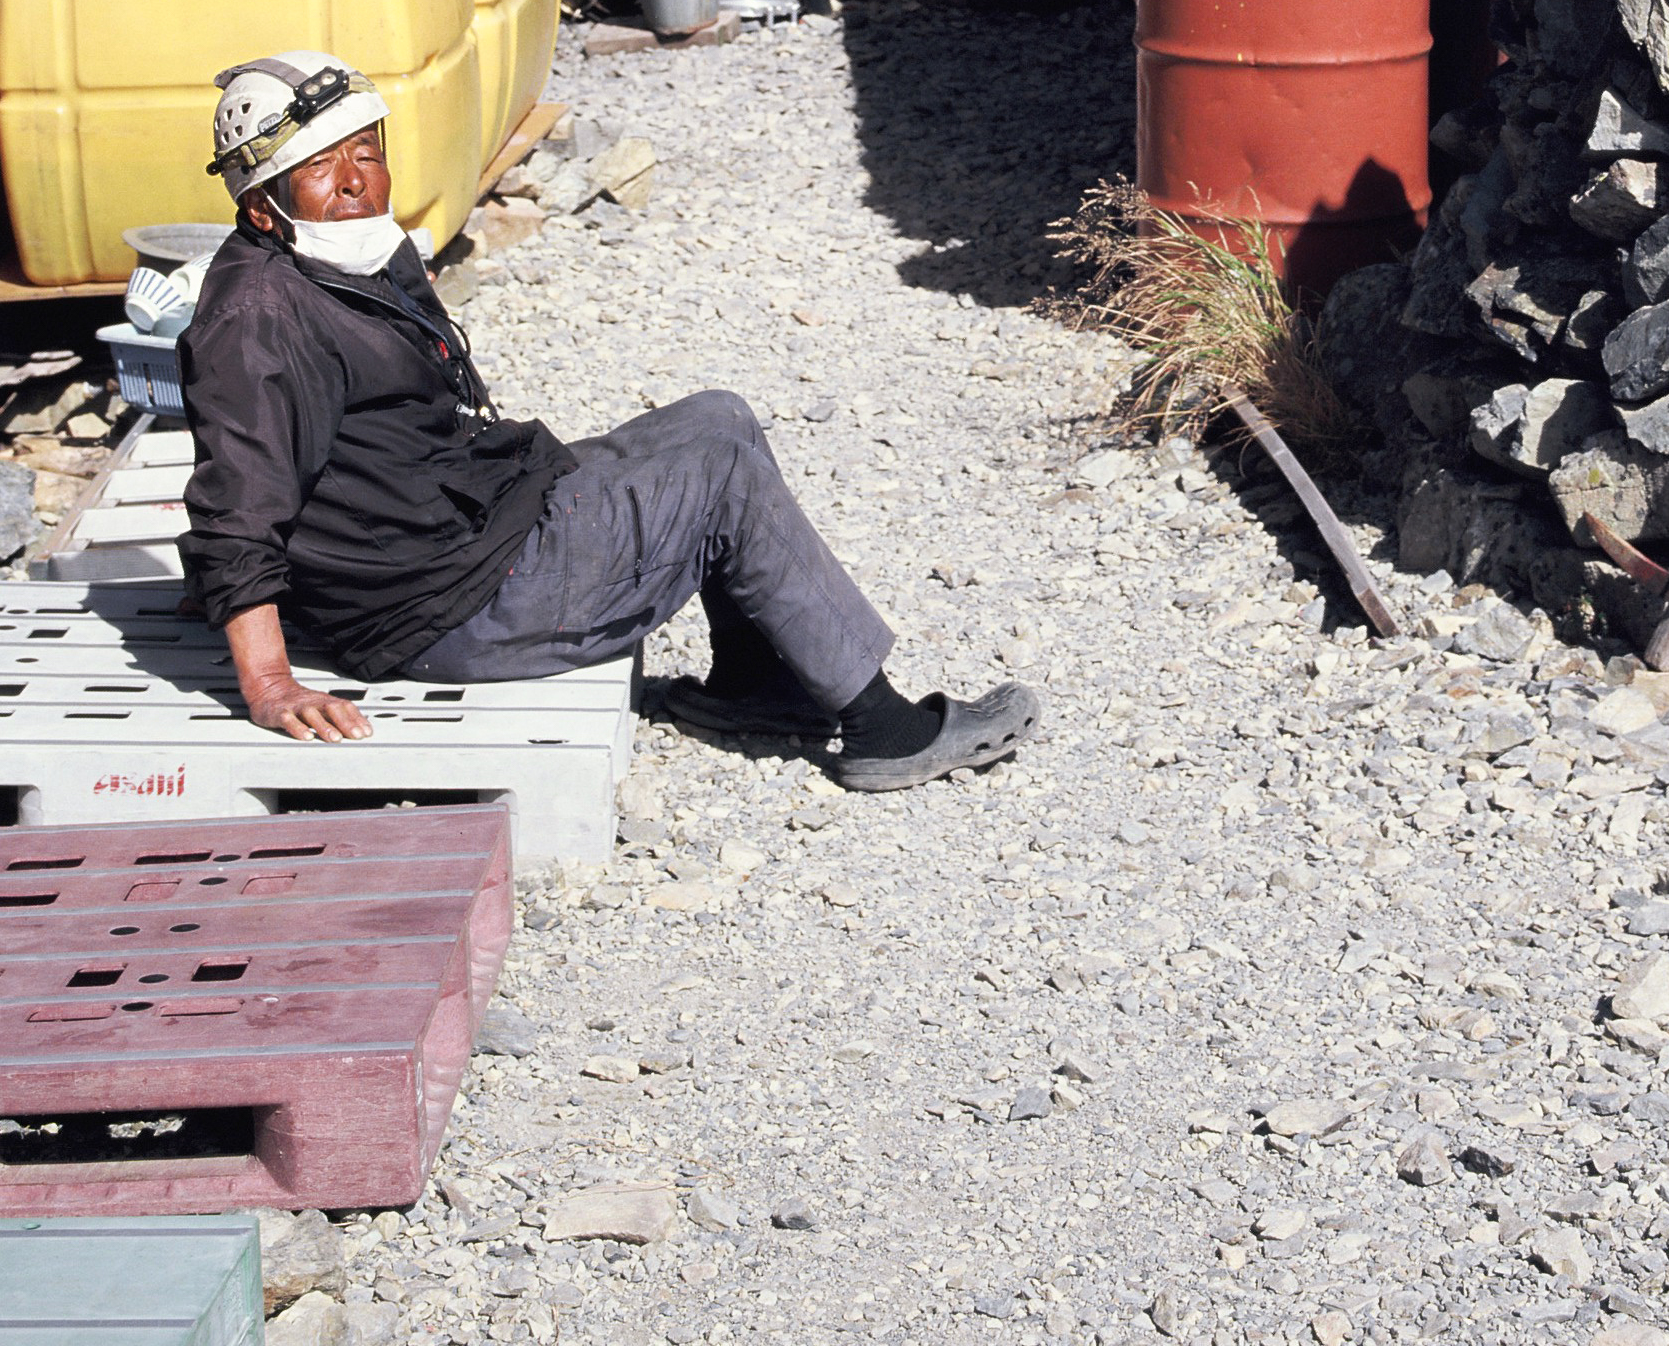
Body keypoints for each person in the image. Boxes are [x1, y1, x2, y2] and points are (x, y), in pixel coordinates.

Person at [176, 49, 1037, 791]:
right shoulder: (256, 320)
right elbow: (235, 512)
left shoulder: (335, 253)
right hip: (452, 606)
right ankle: (883, 731)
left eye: (365, 151)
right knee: (718, 473)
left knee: (717, 421)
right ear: (262, 201)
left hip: (465, 532)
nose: (357, 180)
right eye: (322, 166)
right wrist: (269, 680)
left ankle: (755, 683)